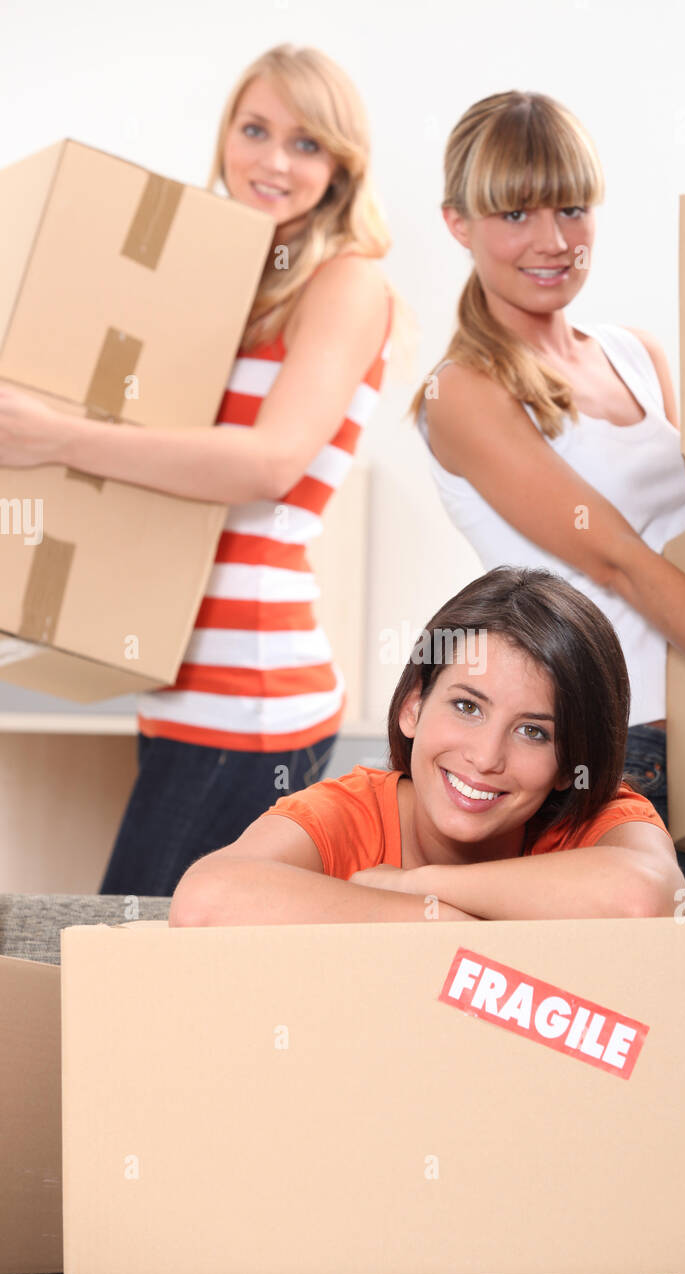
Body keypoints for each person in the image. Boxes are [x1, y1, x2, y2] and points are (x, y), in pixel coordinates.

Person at [170, 564, 685, 1274]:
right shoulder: (349, 811)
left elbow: (641, 897)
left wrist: (416, 884)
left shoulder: (596, 817)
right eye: (467, 707)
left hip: (543, 1187)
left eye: (533, 732)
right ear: (414, 704)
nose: (486, 757)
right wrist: (433, 924)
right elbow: (206, 902)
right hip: (354, 1188)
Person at [409, 90, 685, 907]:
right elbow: (622, 560)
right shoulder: (463, 391)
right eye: (516, 213)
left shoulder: (635, 354)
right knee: (640, 998)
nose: (553, 242)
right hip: (611, 741)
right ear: (457, 223)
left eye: (573, 209)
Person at [0, 43, 401, 896]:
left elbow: (268, 463)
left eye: (305, 143)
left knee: (130, 952)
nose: (271, 160)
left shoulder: (346, 282)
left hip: (251, 697)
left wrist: (59, 437)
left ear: (340, 166)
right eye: (254, 130)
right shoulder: (220, 283)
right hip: (175, 683)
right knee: (170, 960)